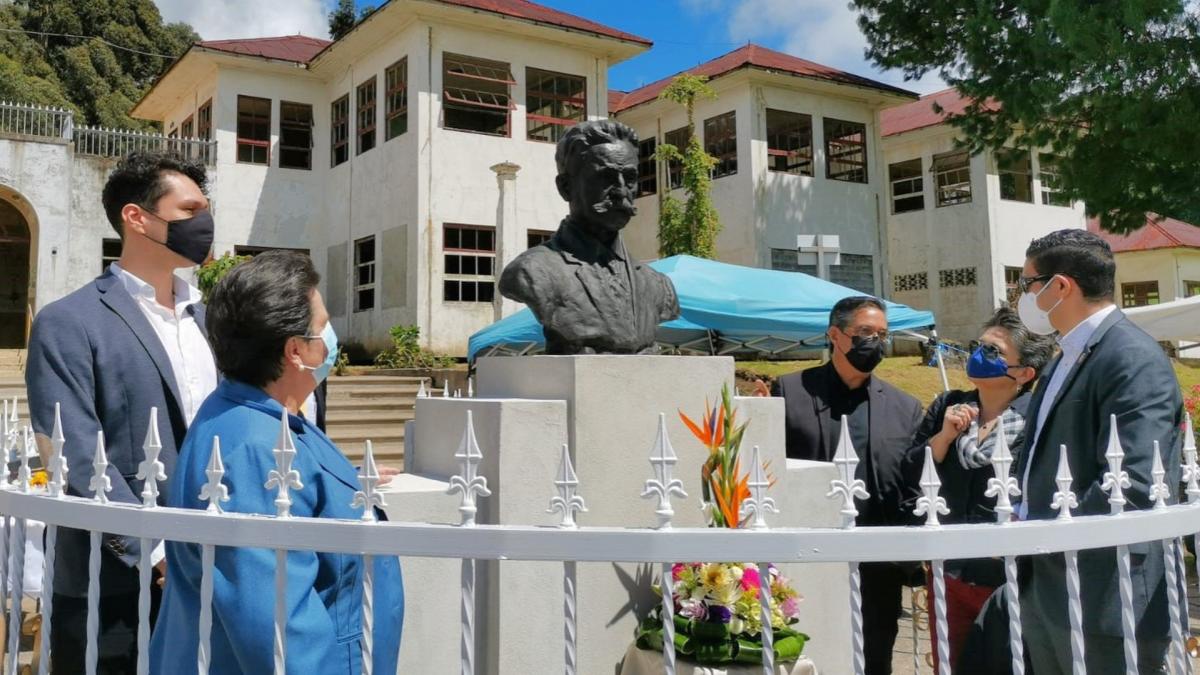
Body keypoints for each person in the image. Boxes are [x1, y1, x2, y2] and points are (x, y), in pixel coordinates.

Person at [149, 251, 404, 674]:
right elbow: (278, 634)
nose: (329, 340)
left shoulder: (262, 415)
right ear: (295, 350)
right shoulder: (255, 449)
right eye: (321, 329)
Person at [25, 151, 216, 673]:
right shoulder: (69, 321)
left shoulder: (211, 321)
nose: (204, 222)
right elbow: (74, 452)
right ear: (138, 218)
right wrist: (154, 551)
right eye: (190, 209)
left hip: (211, 569)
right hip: (109, 586)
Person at [1013, 229, 1183, 674]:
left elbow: (1136, 481)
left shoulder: (1130, 357)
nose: (1024, 296)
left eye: (1028, 283)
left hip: (1106, 592)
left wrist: (1040, 537)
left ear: (1061, 286)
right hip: (1049, 588)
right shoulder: (1065, 354)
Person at [772, 295, 923, 675]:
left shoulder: (904, 407)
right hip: (807, 559)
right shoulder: (790, 393)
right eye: (865, 333)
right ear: (835, 336)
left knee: (874, 661)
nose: (876, 342)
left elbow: (914, 481)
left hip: (878, 564)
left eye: (883, 334)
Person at [902, 307, 1054, 673]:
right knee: (951, 664)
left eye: (993, 352)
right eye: (978, 346)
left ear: (1024, 373)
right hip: (950, 570)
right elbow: (910, 471)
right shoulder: (949, 405)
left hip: (1010, 577)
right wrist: (945, 436)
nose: (978, 356)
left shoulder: (1039, 418)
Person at [499, 119, 679, 354]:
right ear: (565, 187)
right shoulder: (531, 271)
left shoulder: (658, 285)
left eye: (630, 178)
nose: (621, 191)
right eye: (605, 177)